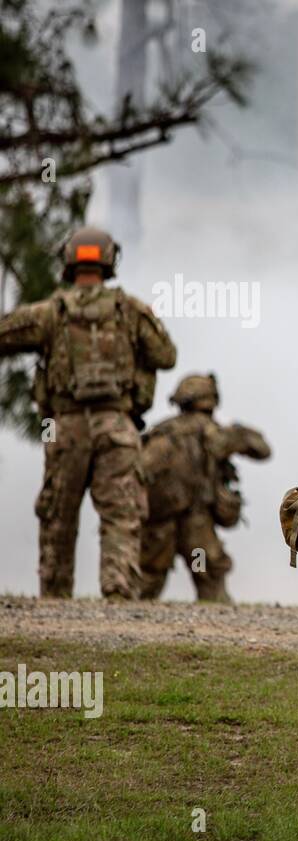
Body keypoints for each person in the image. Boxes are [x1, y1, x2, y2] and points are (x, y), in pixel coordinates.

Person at [0, 226, 176, 599]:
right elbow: (166, 355)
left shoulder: (50, 313)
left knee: (58, 517)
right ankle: (117, 593)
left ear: (69, 261)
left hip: (66, 429)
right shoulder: (131, 310)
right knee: (121, 515)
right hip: (118, 428)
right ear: (110, 260)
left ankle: (55, 598)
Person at [138, 373, 271, 602]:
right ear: (211, 400)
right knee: (205, 573)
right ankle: (211, 625)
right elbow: (262, 450)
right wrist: (237, 434)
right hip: (194, 525)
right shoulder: (213, 431)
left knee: (149, 576)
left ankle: (128, 623)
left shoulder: (162, 431)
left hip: (160, 523)